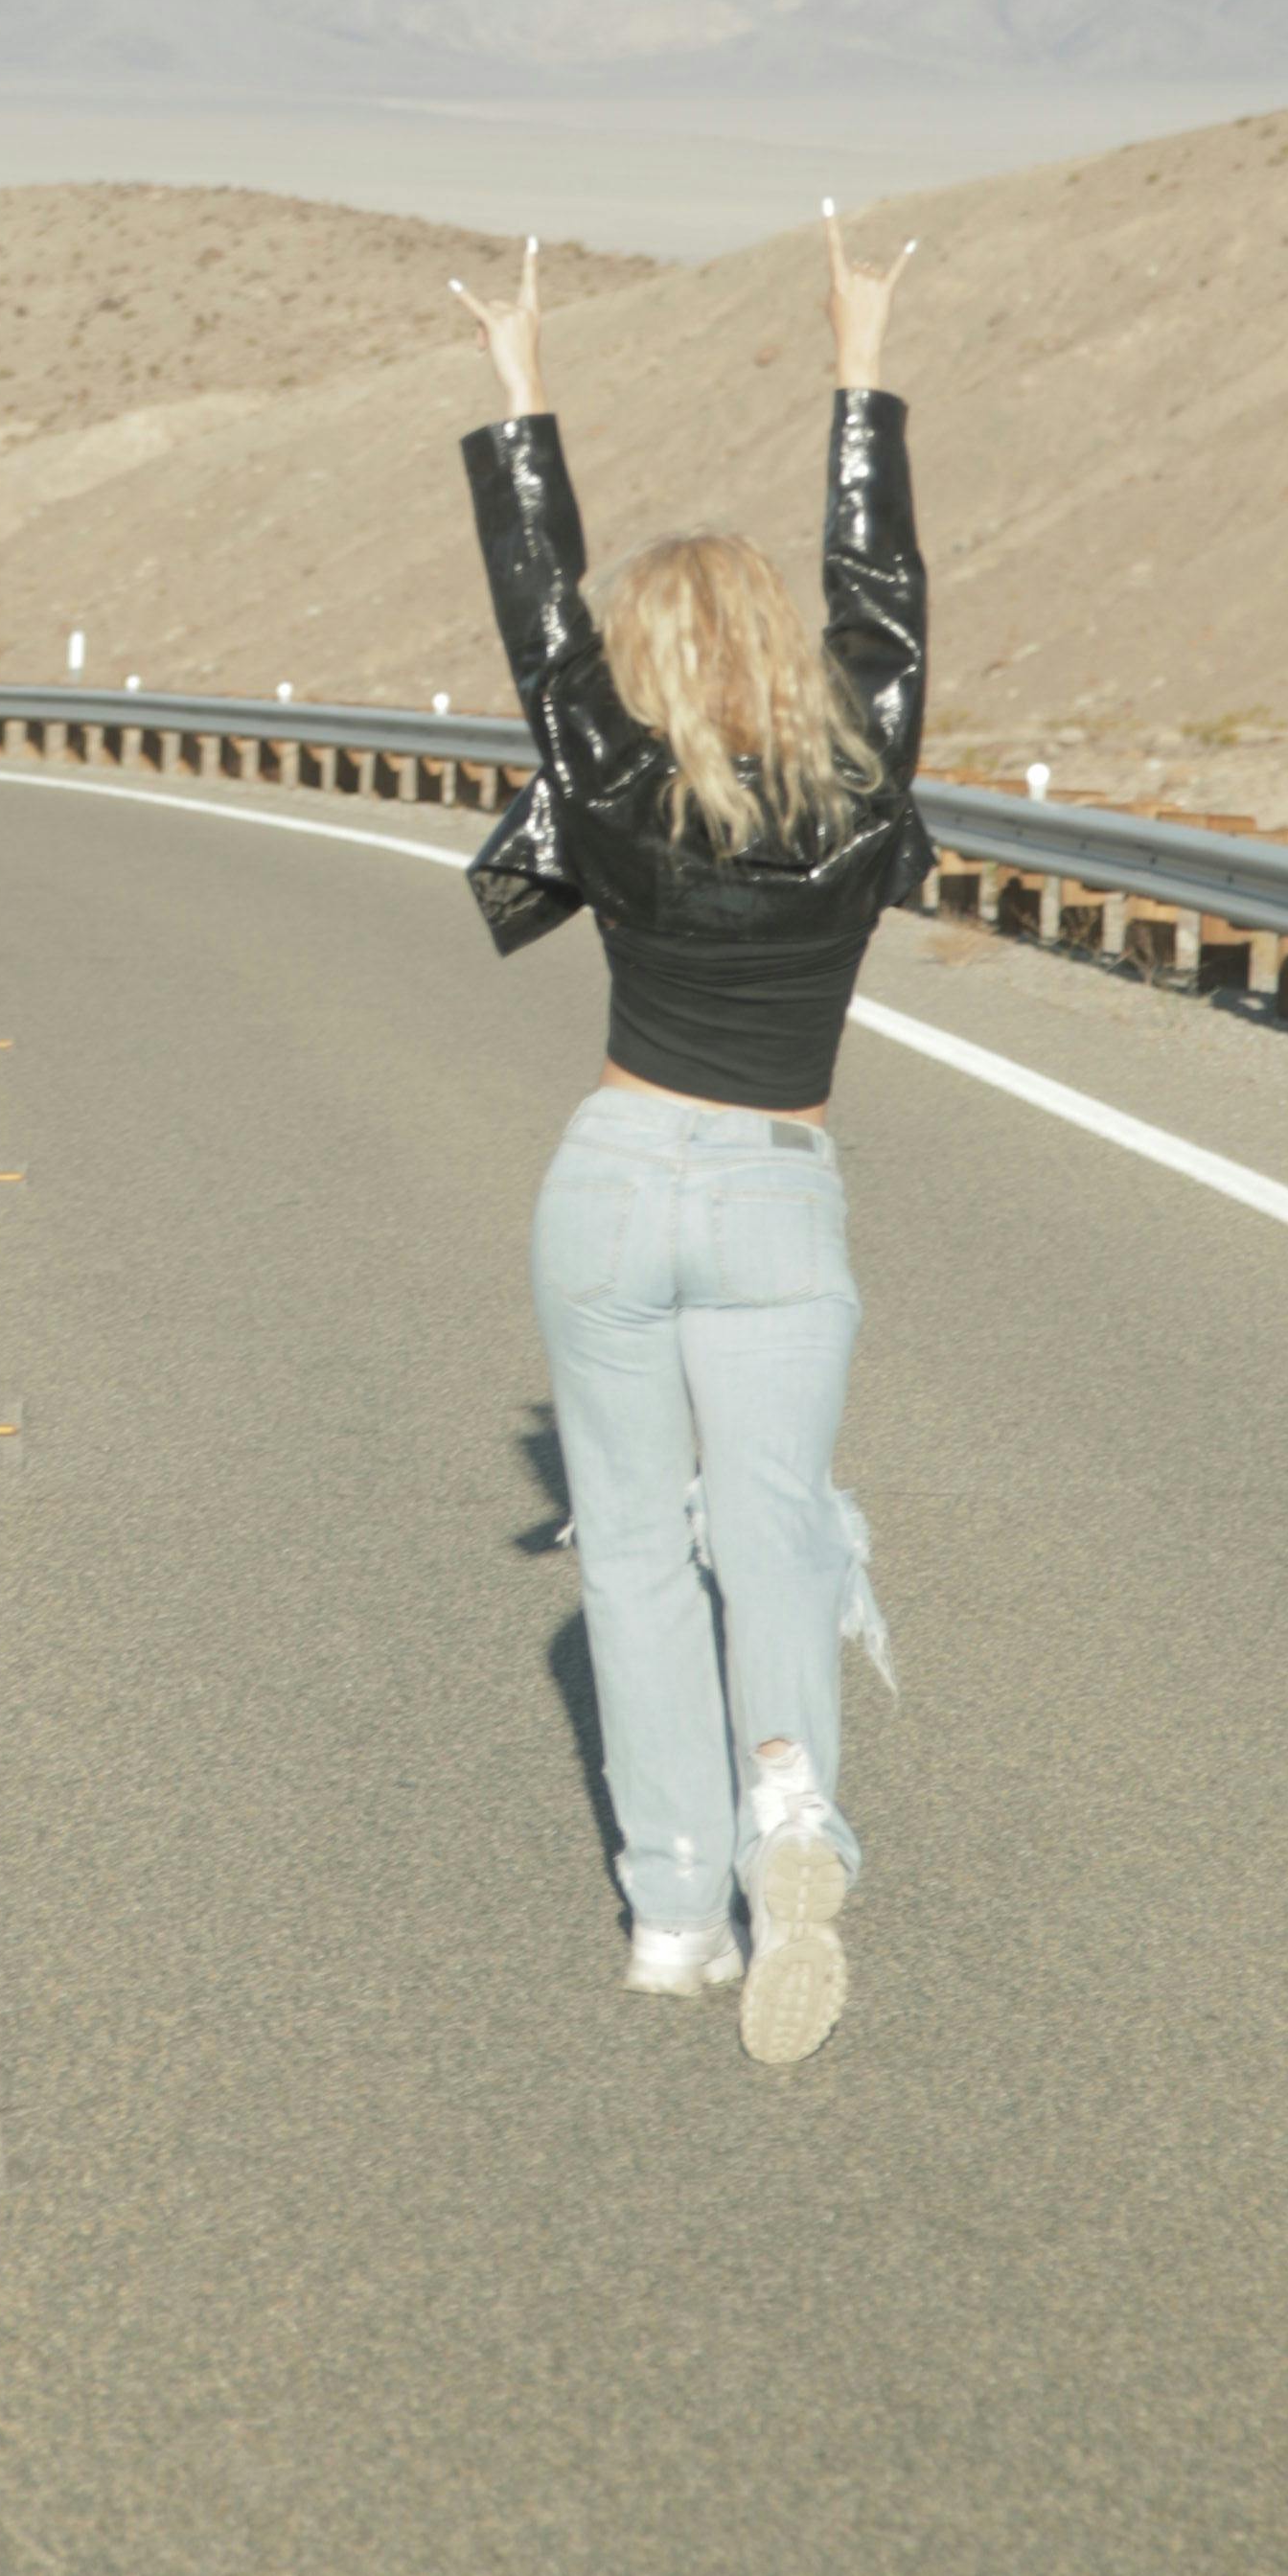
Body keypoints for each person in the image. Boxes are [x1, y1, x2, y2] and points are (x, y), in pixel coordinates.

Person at [450, 207, 931, 2066]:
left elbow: (537, 612)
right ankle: (789, 1798)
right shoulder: (860, 772)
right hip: (776, 1206)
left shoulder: (609, 777)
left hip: (614, 1180)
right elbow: (882, 601)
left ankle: (672, 1919)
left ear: (648, 659)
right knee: (781, 1532)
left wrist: (522, 390)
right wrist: (860, 362)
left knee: (638, 1562)